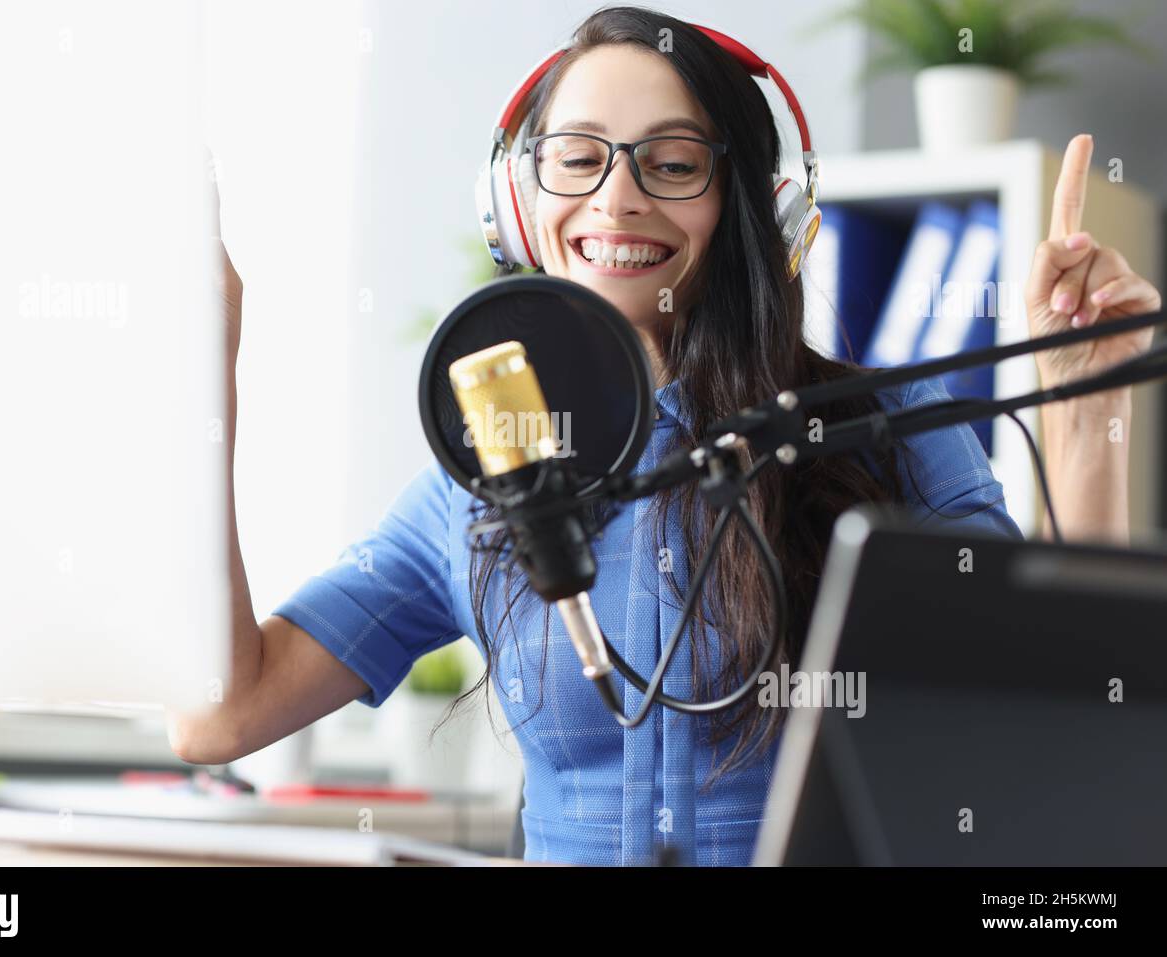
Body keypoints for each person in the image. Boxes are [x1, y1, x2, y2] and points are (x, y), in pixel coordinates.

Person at [167, 7, 1161, 866]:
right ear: (515, 203)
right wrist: (203, 374)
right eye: (576, 157)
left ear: (758, 208)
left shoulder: (883, 427)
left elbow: (1069, 716)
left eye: (673, 163)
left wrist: (1085, 411)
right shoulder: (483, 474)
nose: (616, 195)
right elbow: (222, 715)